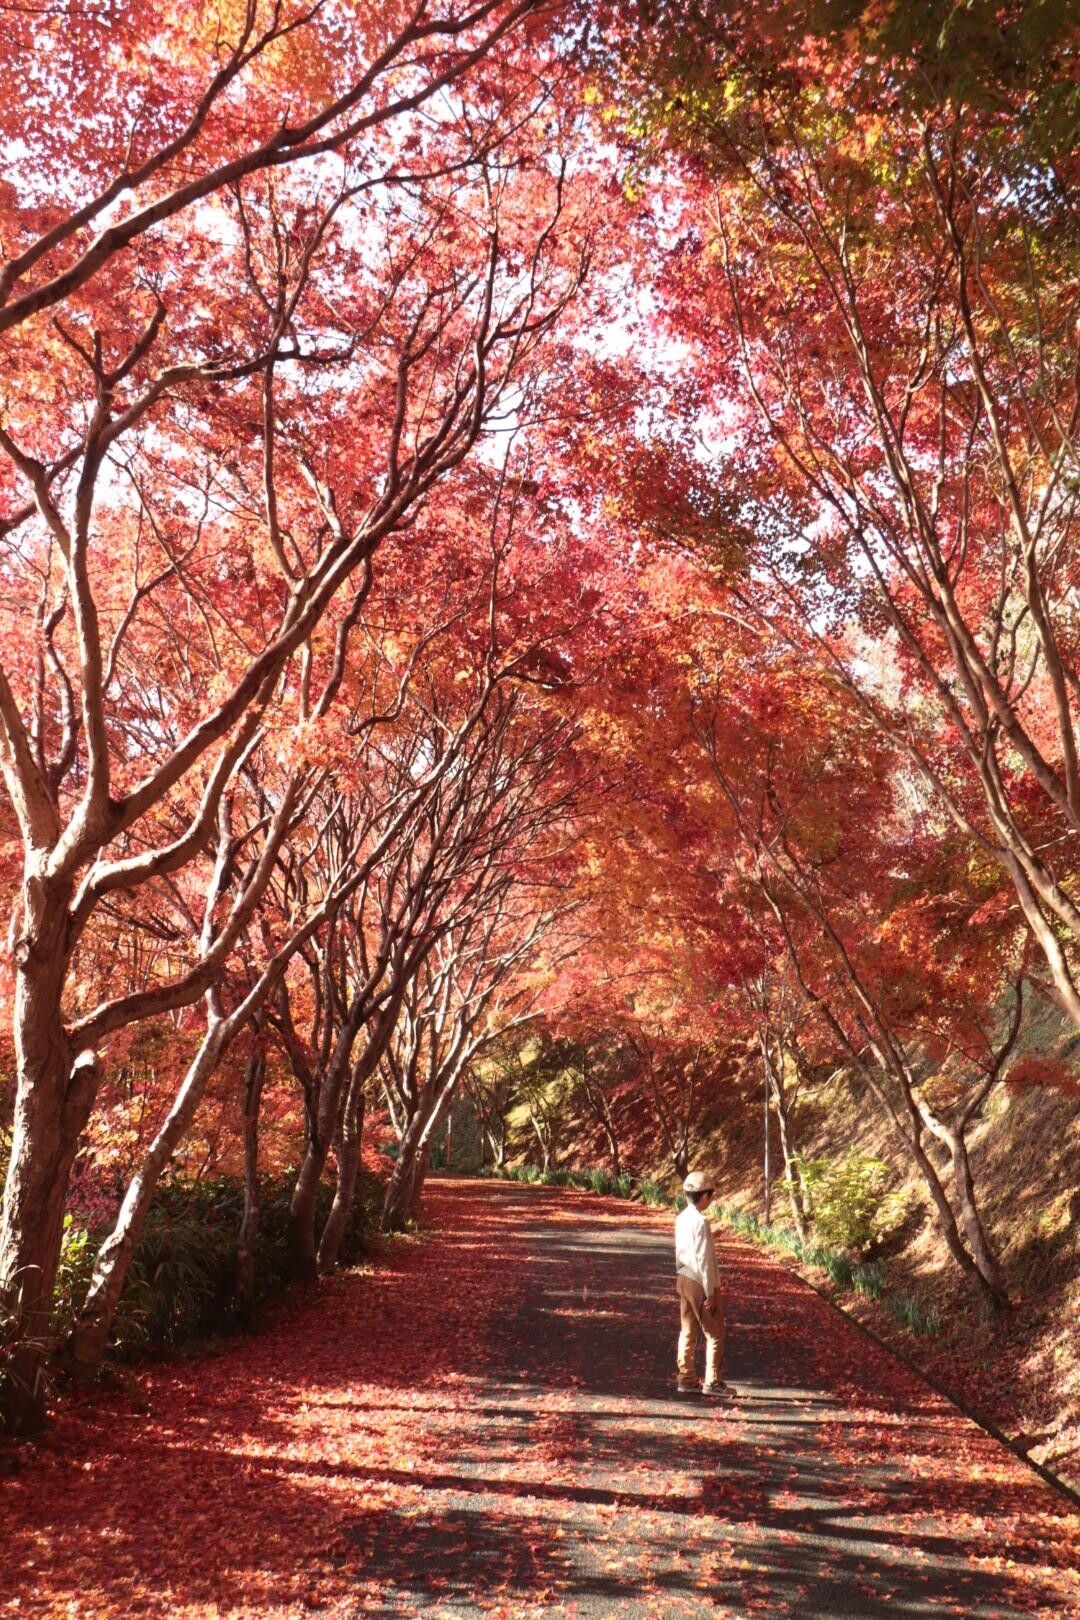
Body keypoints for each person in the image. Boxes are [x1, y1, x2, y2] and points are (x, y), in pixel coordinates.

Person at [674, 1170, 729, 1397]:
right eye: (711, 1195)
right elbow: (704, 1259)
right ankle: (713, 1382)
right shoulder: (701, 1221)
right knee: (715, 1333)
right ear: (704, 1196)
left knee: (687, 1330)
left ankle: (686, 1378)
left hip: (683, 1277)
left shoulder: (681, 1218)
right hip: (699, 1281)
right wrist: (710, 1293)